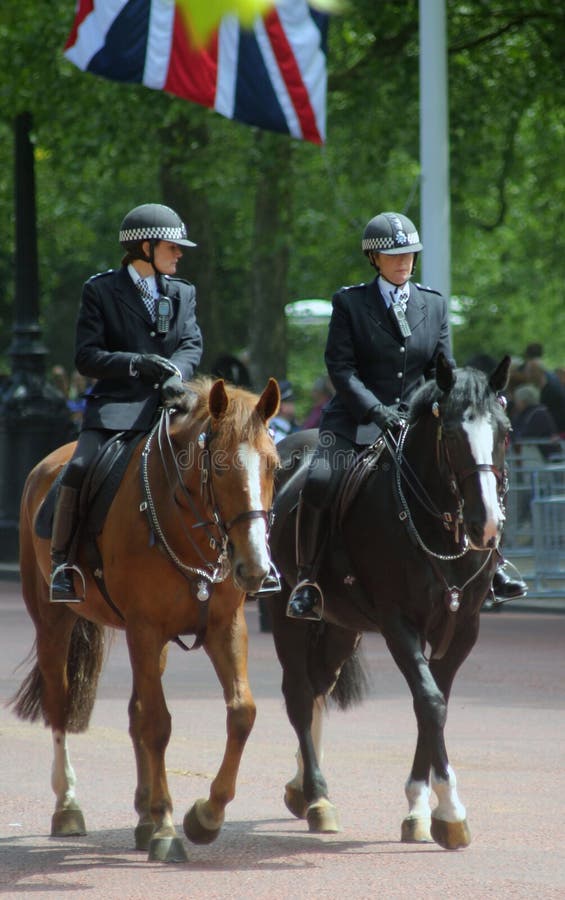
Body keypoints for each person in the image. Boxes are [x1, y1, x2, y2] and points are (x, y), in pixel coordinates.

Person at [287, 211, 526, 620]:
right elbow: (340, 369)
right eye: (395, 255)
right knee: (321, 480)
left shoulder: (432, 304)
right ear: (374, 259)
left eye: (410, 254)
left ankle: (494, 565)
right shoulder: (350, 302)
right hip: (355, 418)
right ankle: (308, 580)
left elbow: (441, 370)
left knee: (467, 474)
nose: (404, 262)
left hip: (415, 418)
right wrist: (375, 410)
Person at [50, 203, 203, 602]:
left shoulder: (183, 291)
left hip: (173, 402)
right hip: (117, 405)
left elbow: (191, 344)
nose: (180, 253)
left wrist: (175, 373)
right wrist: (138, 364)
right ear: (146, 247)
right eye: (173, 246)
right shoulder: (100, 290)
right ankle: (62, 563)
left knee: (221, 459)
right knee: (80, 467)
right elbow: (86, 356)